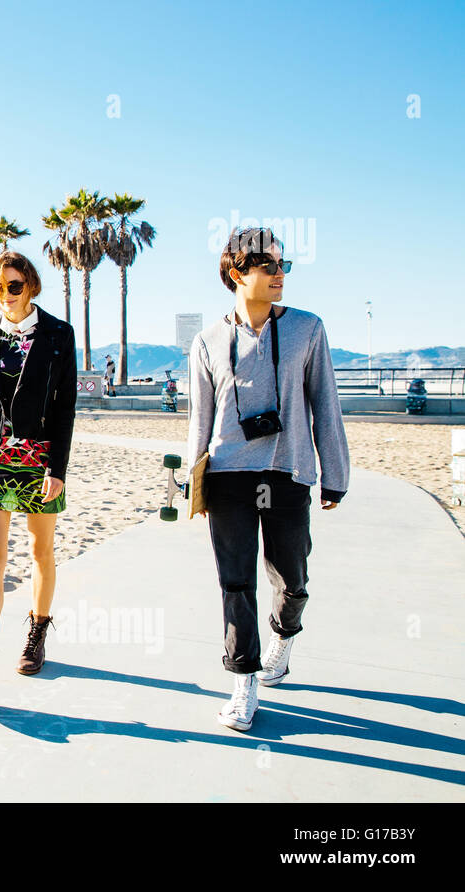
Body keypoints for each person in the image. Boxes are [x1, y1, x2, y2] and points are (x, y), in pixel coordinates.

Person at [187, 226, 349, 732]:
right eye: (270, 267)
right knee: (235, 582)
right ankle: (243, 680)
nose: (281, 275)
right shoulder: (208, 339)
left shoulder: (307, 328)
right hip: (229, 474)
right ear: (238, 273)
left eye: (284, 266)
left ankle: (285, 632)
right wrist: (190, 485)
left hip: (288, 469)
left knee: (292, 576)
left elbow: (326, 403)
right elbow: (199, 417)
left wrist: (334, 475)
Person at [0, 251, 78, 704]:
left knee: (40, 549)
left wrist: (57, 469)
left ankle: (37, 634)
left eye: (14, 286)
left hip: (39, 457)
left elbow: (65, 407)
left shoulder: (59, 335)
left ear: (31, 286)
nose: (5, 295)